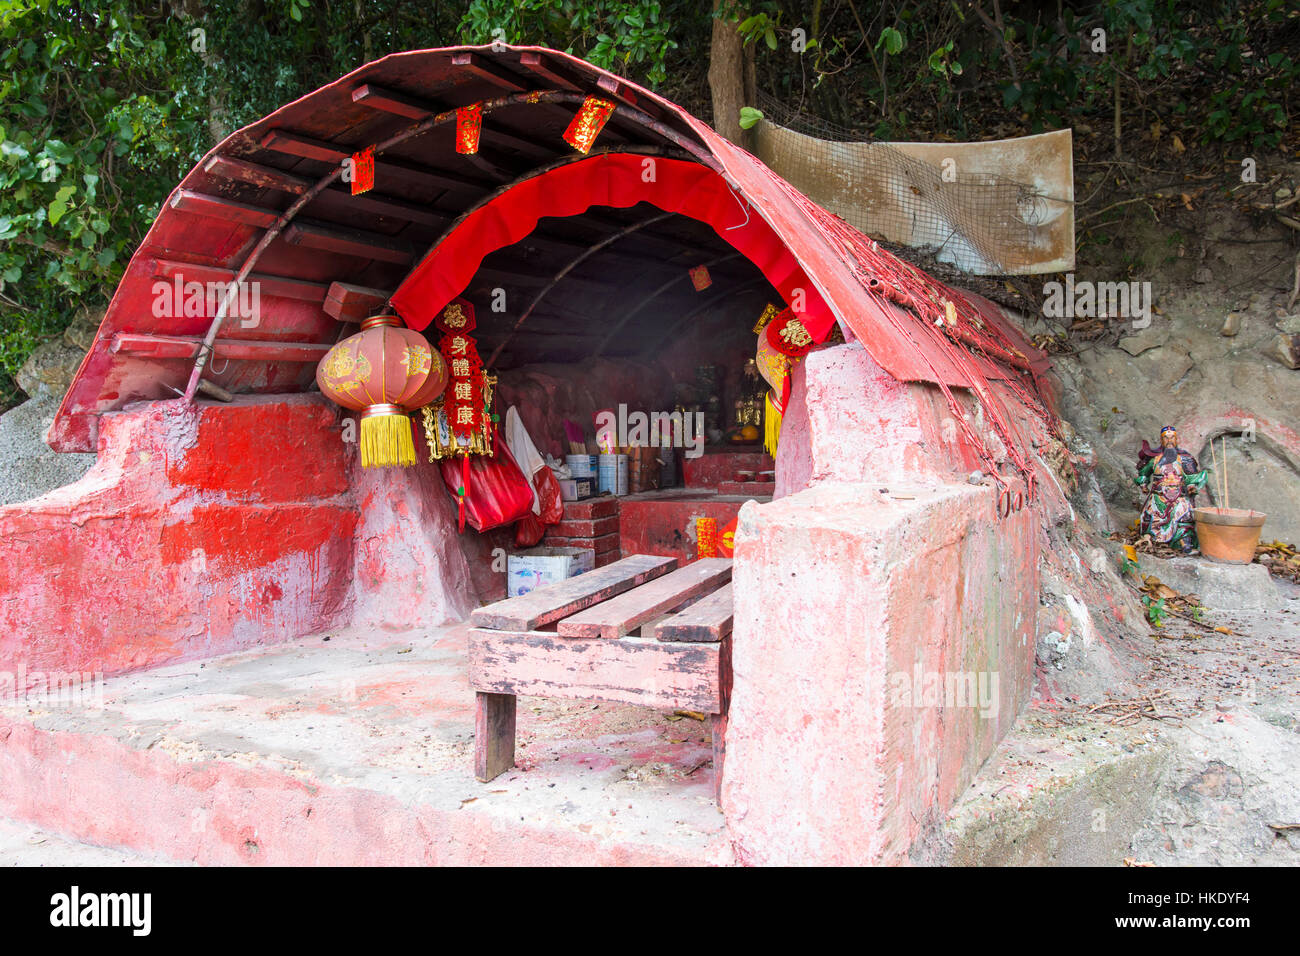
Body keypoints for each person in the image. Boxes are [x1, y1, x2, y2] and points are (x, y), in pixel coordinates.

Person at [1135, 425, 1209, 553]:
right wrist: (1143, 485)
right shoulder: (1154, 459)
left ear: (1177, 439)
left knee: (1184, 516)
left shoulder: (1185, 458)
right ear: (1161, 440)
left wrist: (1191, 486)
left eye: (1172, 437)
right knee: (1151, 517)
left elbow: (1192, 477)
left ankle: (1184, 542)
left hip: (1179, 496)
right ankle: (1152, 540)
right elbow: (1144, 473)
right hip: (1159, 497)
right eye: (1166, 438)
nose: (1169, 440)